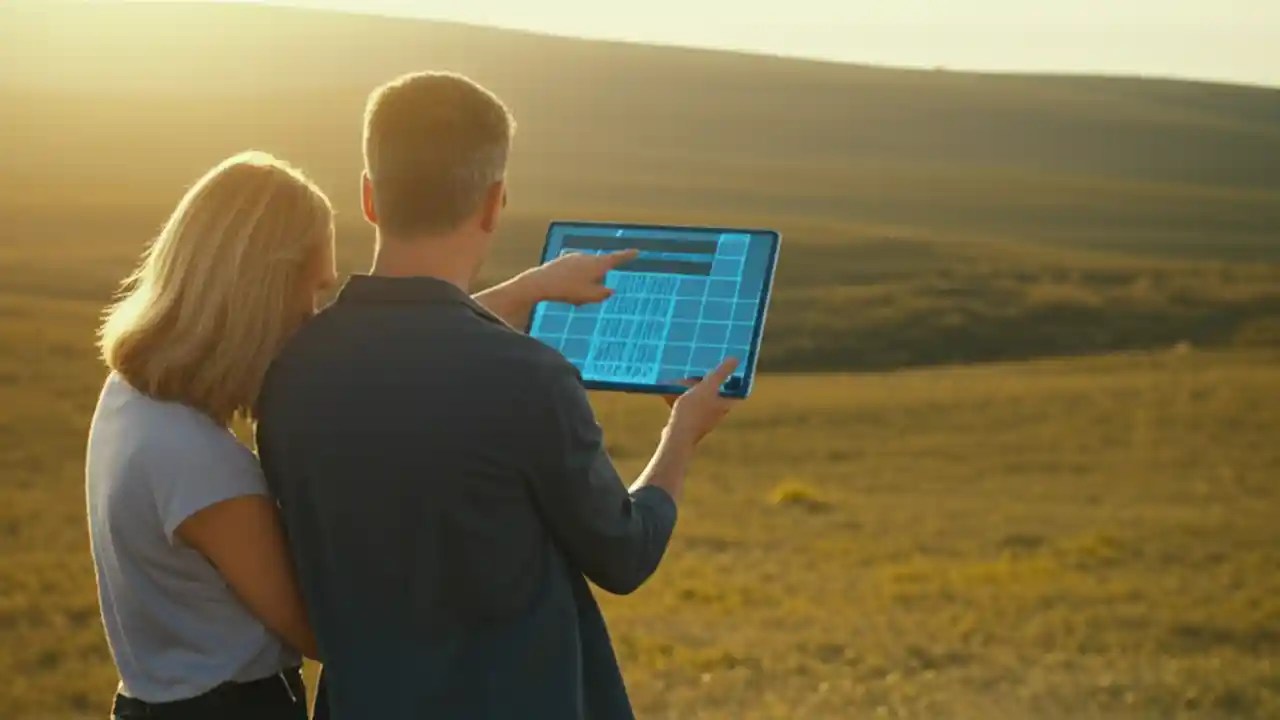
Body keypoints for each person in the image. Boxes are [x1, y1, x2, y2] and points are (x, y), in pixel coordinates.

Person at [256, 71, 741, 720]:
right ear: (493, 203)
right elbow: (624, 554)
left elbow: (409, 347)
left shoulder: (292, 367)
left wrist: (524, 291)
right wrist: (681, 433)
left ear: (370, 198)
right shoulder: (527, 377)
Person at [86, 150, 629, 719]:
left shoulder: (131, 398)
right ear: (259, 294)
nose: (312, 316)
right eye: (313, 293)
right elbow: (331, 633)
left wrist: (523, 292)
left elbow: (399, 346)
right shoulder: (198, 465)